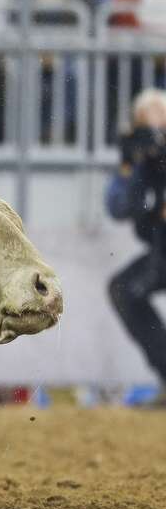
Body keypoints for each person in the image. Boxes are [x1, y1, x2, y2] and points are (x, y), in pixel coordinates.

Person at [107, 87, 166, 406]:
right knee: (124, 289)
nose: (156, 134)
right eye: (147, 126)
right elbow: (117, 206)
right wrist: (134, 163)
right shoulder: (138, 159)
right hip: (162, 251)